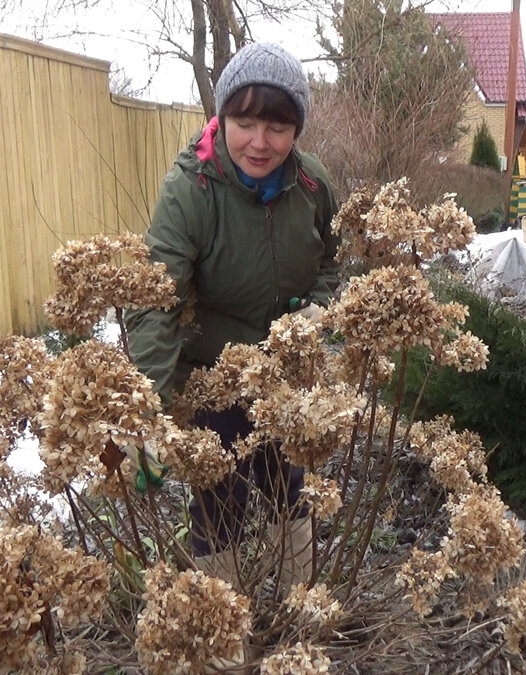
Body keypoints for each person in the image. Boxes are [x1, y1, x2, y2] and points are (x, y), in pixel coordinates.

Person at [125, 42, 340, 592]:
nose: (260, 143)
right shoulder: (190, 189)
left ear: (296, 130)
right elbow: (156, 298)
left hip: (283, 375)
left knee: (292, 485)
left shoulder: (311, 185)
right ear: (222, 118)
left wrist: (317, 306)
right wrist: (146, 409)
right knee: (221, 497)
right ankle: (218, 624)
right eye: (245, 123)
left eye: (278, 127)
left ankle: (299, 607)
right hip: (211, 374)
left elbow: (333, 258)